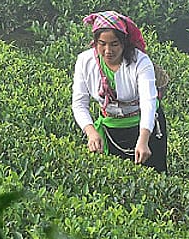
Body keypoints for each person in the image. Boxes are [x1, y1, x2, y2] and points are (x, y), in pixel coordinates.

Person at [71, 10, 168, 173]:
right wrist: (91, 132)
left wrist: (143, 140)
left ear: (123, 43)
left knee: (154, 175)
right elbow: (79, 103)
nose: (108, 50)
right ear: (95, 43)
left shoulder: (141, 62)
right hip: (111, 128)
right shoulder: (84, 62)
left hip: (145, 126)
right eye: (102, 44)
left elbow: (148, 103)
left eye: (114, 44)